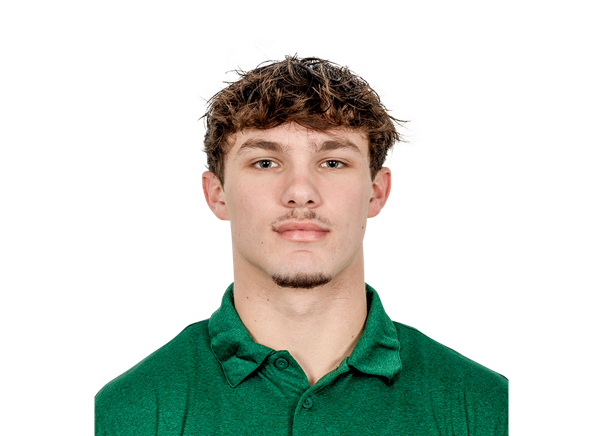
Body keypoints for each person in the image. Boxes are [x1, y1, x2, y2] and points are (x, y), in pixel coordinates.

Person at [94, 50, 508, 435]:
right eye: (265, 162)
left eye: (333, 162)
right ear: (216, 194)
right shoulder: (123, 414)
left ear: (377, 192)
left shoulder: (489, 410)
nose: (300, 192)